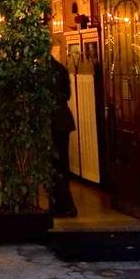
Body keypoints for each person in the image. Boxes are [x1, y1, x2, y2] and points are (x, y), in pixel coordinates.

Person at [45, 55, 78, 217]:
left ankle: (62, 205)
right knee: (61, 163)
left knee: (55, 163)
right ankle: (63, 205)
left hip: (54, 120)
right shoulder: (61, 69)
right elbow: (66, 95)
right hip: (62, 119)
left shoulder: (45, 72)